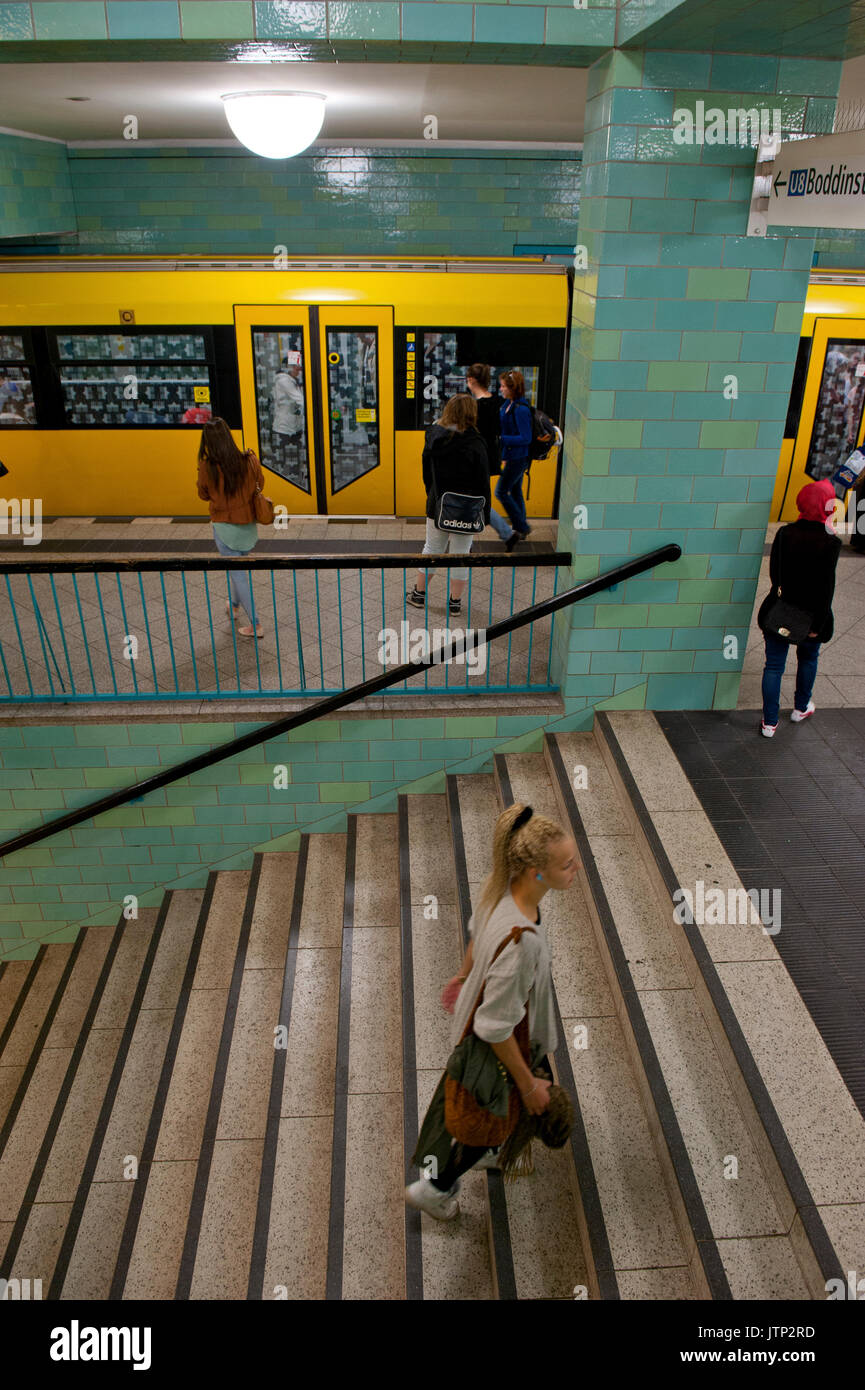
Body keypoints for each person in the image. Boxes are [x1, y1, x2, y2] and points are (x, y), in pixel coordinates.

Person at [405, 802, 579, 1221]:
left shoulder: (503, 889)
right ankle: (436, 1187)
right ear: (537, 871)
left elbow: (477, 933)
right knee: (506, 1104)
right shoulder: (524, 943)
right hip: (499, 1038)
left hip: (488, 1020)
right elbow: (494, 1027)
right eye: (566, 865)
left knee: (485, 1107)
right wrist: (526, 1085)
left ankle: (485, 1148)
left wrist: (463, 976)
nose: (576, 869)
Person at [757, 478, 842, 737]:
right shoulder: (831, 542)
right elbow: (826, 589)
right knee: (808, 659)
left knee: (773, 666)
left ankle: (770, 722)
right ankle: (800, 708)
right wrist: (816, 626)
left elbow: (775, 575)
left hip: (779, 611)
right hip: (810, 617)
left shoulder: (784, 534)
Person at [407, 393, 490, 619]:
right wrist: (484, 513)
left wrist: (432, 496)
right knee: (461, 554)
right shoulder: (476, 443)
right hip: (467, 508)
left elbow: (426, 472)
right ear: (472, 413)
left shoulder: (435, 438)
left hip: (438, 504)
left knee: (432, 549)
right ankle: (455, 603)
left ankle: (419, 595)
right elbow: (483, 480)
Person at [196, 417, 265, 639]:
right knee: (239, 571)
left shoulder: (208, 467)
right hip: (247, 525)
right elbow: (260, 484)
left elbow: (202, 494)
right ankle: (234, 606)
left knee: (238, 574)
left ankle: (256, 625)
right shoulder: (249, 459)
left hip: (225, 527)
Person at [466, 363, 518, 550]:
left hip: (474, 461)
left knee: (472, 498)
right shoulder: (498, 402)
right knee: (476, 498)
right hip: (490, 458)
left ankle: (505, 534)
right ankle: (505, 534)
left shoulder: (473, 407)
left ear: (472, 380)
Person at [498, 370, 534, 541]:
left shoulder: (520, 409)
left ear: (513, 389)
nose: (501, 389)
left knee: (501, 492)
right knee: (515, 491)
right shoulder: (508, 404)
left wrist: (502, 440)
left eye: (504, 386)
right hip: (512, 455)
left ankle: (522, 526)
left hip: (518, 457)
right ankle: (521, 529)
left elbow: (526, 437)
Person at [272, 358, 304, 446]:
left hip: (294, 428)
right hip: (284, 430)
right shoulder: (284, 381)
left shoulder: (293, 381)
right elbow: (300, 399)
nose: (298, 370)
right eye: (294, 367)